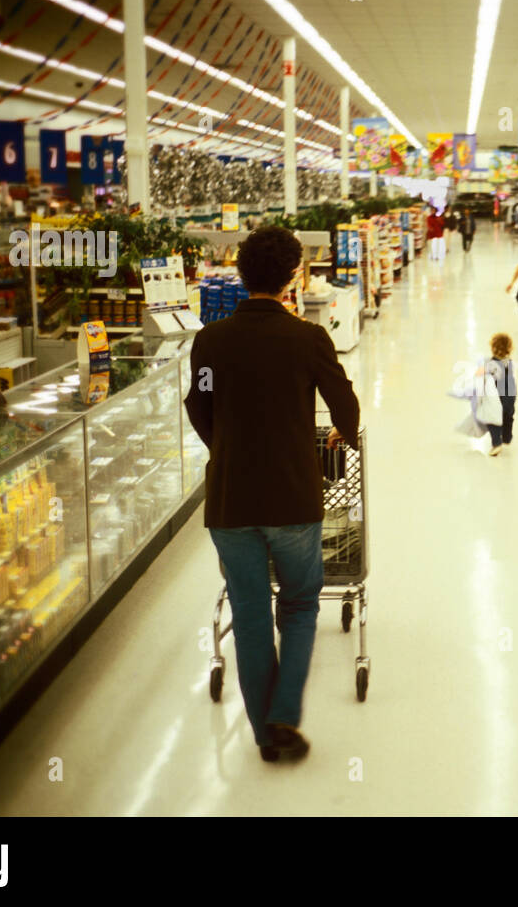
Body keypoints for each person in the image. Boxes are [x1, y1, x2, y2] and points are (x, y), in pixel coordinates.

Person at [184, 225, 360, 764]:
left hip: (231, 501)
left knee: (251, 612)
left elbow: (199, 404)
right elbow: (345, 405)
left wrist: (226, 446)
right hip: (292, 498)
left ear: (240, 275)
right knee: (301, 604)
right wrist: (341, 435)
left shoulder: (210, 341)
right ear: (292, 278)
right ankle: (284, 714)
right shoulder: (308, 339)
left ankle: (265, 735)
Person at [482, 333, 515, 456]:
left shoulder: (491, 364)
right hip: (511, 395)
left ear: (493, 348)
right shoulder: (509, 362)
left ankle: (496, 443)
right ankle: (507, 437)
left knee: (492, 420)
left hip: (496, 397)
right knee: (508, 416)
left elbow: (488, 380)